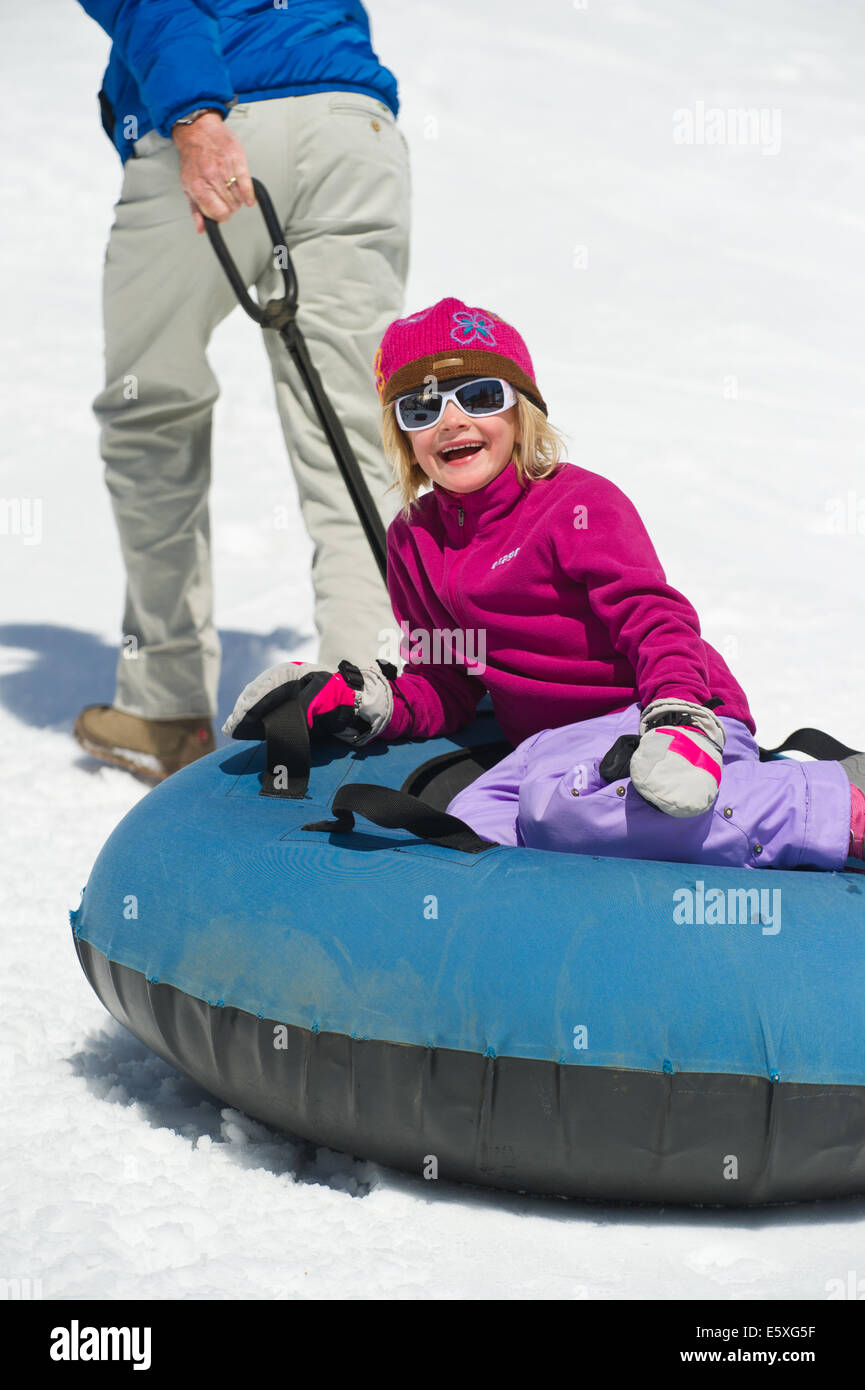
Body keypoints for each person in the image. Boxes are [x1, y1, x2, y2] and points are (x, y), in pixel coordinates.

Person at [224, 296, 865, 870]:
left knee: (564, 810)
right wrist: (369, 702)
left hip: (663, 713)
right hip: (548, 750)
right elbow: (447, 679)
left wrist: (679, 721)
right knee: (463, 837)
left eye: (478, 397)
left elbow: (657, 622)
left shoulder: (577, 506)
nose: (452, 422)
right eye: (421, 407)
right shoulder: (414, 540)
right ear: (404, 436)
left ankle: (845, 806)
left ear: (522, 411)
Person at [74, 0, 410, 780]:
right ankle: (367, 708)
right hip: (351, 125)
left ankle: (163, 705)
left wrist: (194, 117)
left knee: (150, 407)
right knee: (354, 430)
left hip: (222, 118)